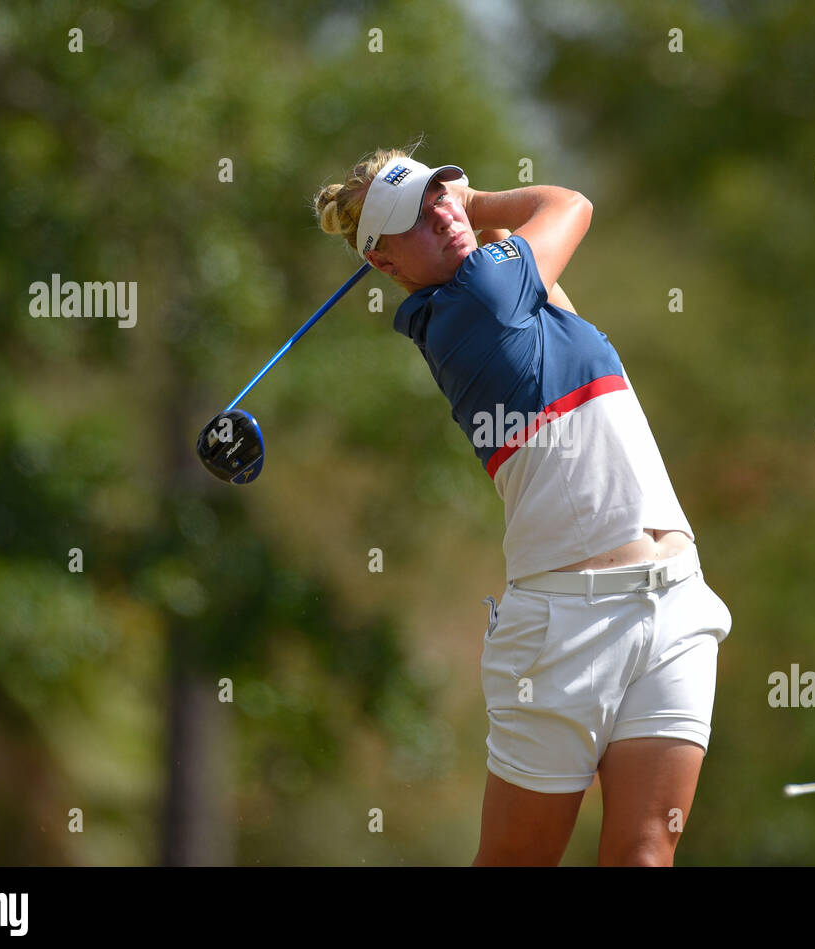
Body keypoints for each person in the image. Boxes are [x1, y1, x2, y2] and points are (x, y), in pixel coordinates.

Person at [313, 144, 732, 866]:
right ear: (383, 265)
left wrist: (462, 219)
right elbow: (569, 205)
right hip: (565, 627)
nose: (441, 214)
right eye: (414, 218)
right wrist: (477, 204)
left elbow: (531, 257)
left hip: (676, 603)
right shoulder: (473, 302)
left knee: (645, 857)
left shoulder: (507, 291)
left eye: (439, 195)